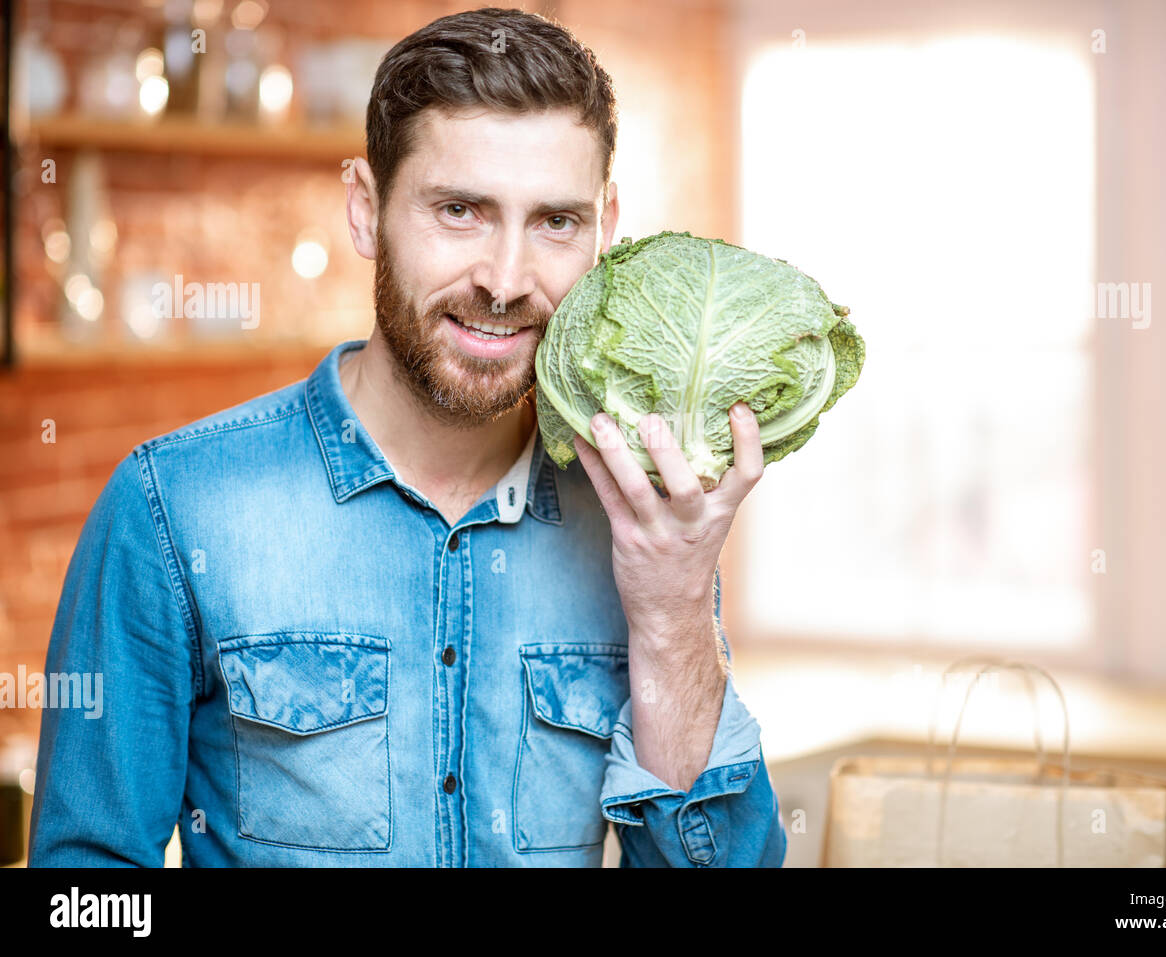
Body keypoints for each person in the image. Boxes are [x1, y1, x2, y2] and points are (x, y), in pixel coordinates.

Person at [27, 6, 786, 867]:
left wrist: (674, 613)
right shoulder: (173, 509)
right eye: (460, 210)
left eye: (556, 222)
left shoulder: (646, 530)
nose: (504, 281)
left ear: (606, 226)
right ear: (365, 207)